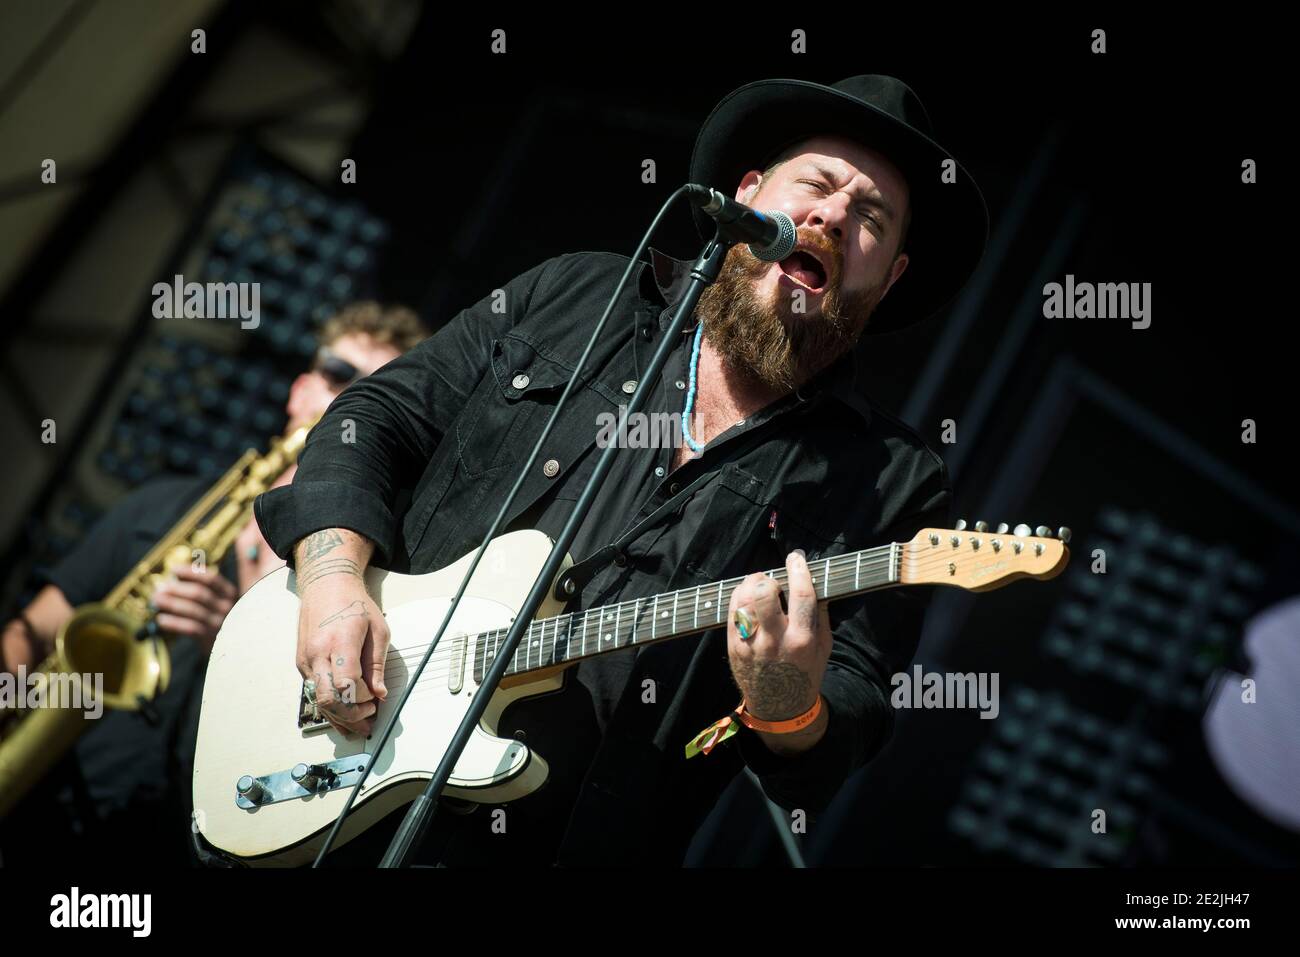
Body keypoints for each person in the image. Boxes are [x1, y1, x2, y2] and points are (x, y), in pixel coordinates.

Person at [254, 75, 990, 866]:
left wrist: (786, 701)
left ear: (892, 277)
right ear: (746, 196)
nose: (835, 216)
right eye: (815, 184)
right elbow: (373, 418)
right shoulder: (578, 295)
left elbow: (846, 716)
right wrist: (333, 588)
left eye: (870, 217)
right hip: (341, 778)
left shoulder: (888, 478)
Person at [0, 302, 428, 865]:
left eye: (377, 389)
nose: (350, 399)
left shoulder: (373, 567)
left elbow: (343, 718)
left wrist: (228, 639)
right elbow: (28, 637)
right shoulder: (162, 507)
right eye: (338, 374)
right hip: (42, 813)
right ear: (299, 389)